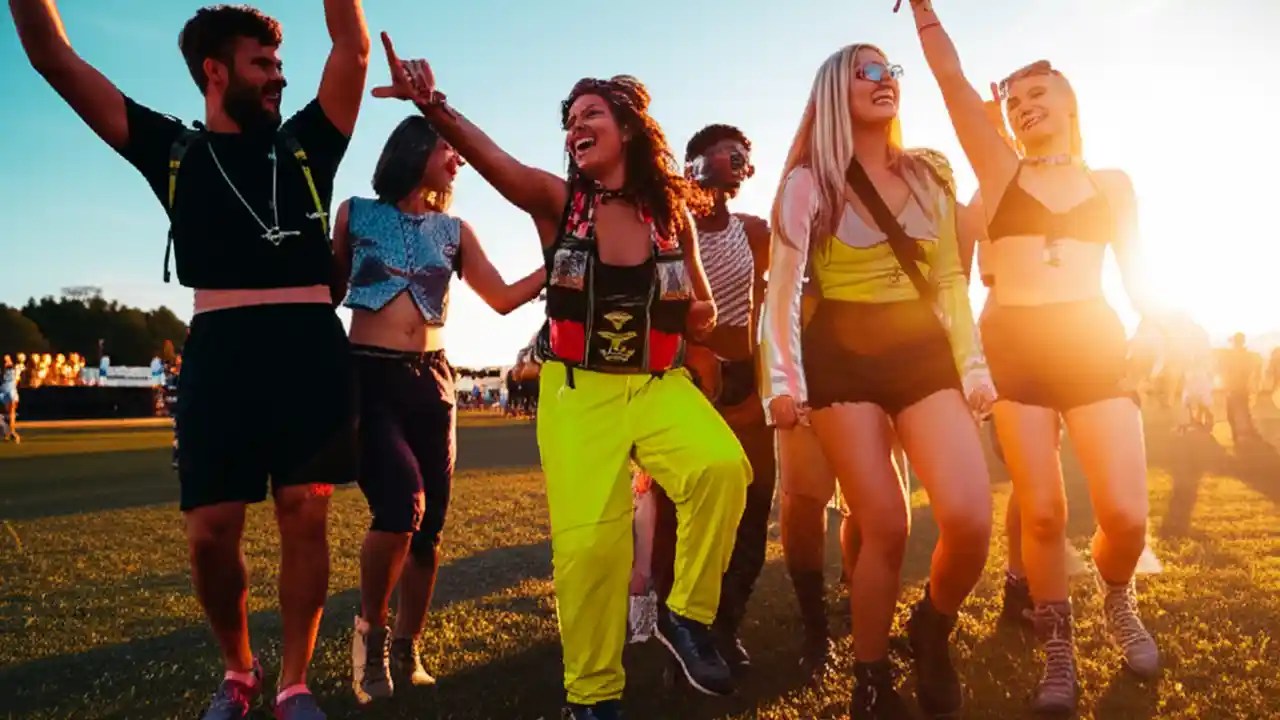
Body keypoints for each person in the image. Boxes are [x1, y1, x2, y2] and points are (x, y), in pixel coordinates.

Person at [370, 35, 751, 719]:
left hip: (659, 384)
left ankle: (685, 616)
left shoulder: (671, 214)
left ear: (628, 127)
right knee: (589, 552)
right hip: (578, 393)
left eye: (591, 115)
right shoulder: (557, 201)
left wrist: (695, 315)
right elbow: (496, 165)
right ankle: (593, 698)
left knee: (723, 468)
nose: (576, 127)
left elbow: (704, 305)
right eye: (569, 121)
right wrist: (436, 107)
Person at [10, 3, 371, 718]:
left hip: (307, 349)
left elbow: (351, 50)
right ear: (215, 70)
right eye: (262, 64)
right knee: (210, 532)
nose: (279, 76)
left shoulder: (307, 143)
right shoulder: (172, 150)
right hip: (220, 355)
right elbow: (53, 57)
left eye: (278, 64)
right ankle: (240, 671)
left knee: (304, 513)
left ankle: (294, 683)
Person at [905, 0, 1163, 713]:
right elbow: (953, 82)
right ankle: (1058, 649)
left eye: (1037, 96)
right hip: (1015, 348)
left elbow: (1139, 272)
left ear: (1071, 102)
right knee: (1042, 512)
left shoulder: (1112, 184)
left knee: (1127, 516)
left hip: (1093, 344)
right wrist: (925, 11)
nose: (1022, 109)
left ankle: (1118, 595)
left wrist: (1153, 320)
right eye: (1013, 102)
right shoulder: (998, 172)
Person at [761, 40, 993, 718]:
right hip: (842, 358)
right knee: (885, 521)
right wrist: (784, 381)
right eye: (867, 70)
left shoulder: (931, 174)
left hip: (923, 355)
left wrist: (973, 366)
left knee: (971, 520)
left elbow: (950, 279)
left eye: (890, 70)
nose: (884, 79)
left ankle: (932, 625)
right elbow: (781, 291)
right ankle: (870, 678)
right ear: (836, 88)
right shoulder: (809, 181)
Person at [330, 115, 545, 704]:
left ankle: (409, 646)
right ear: (415, 148)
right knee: (400, 505)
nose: (459, 158)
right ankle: (369, 638)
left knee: (428, 532)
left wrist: (565, 263)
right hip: (368, 375)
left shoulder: (455, 230)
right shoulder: (354, 213)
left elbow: (501, 298)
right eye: (449, 146)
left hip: (433, 382)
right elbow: (323, 292)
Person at [643, 123, 773, 675]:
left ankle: (727, 623)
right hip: (690, 379)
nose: (739, 159)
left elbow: (771, 294)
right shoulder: (670, 226)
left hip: (748, 378)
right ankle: (680, 621)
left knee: (754, 502)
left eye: (745, 153)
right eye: (727, 152)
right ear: (694, 162)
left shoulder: (755, 230)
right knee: (683, 509)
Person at [1222, 332, 1261, 443]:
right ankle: (1249, 432)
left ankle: (1237, 435)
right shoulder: (1246, 355)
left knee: (1232, 413)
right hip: (1240, 388)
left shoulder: (1236, 356)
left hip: (1236, 388)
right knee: (1243, 411)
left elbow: (1229, 370)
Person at [1, 355, 20, 443]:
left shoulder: (15, 369)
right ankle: (8, 432)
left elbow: (16, 380)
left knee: (12, 411)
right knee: (7, 413)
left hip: (12, 391)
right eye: (5, 361)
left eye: (9, 360)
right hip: (4, 391)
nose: (7, 362)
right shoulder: (2, 372)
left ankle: (11, 432)